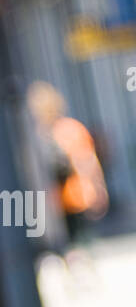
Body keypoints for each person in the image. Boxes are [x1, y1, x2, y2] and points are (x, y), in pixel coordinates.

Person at [26, 82, 109, 246]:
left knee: (76, 244)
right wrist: (99, 188)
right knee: (79, 244)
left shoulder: (59, 132)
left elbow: (85, 161)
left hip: (71, 198)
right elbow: (88, 161)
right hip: (66, 200)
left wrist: (97, 189)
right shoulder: (65, 130)